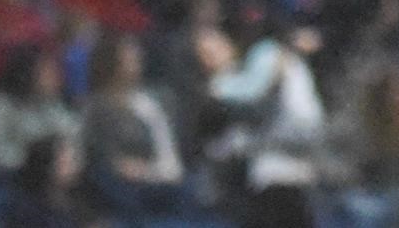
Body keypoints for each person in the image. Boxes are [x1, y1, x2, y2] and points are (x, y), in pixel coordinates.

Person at [202, 19, 329, 228]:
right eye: (204, 55)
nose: (210, 59)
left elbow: (308, 130)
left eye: (214, 49)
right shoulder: (220, 89)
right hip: (250, 182)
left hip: (286, 175)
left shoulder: (275, 62)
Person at [80, 34, 187, 215]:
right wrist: (143, 171)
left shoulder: (156, 97)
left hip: (174, 178)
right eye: (129, 57)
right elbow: (106, 156)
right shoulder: (100, 107)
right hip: (137, 188)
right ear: (112, 63)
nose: (137, 60)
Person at [0, 49, 80, 178]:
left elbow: (71, 131)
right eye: (47, 73)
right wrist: (34, 159)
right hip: (14, 180)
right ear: (28, 74)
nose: (56, 78)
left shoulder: (51, 103)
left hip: (53, 174)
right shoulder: (0, 107)